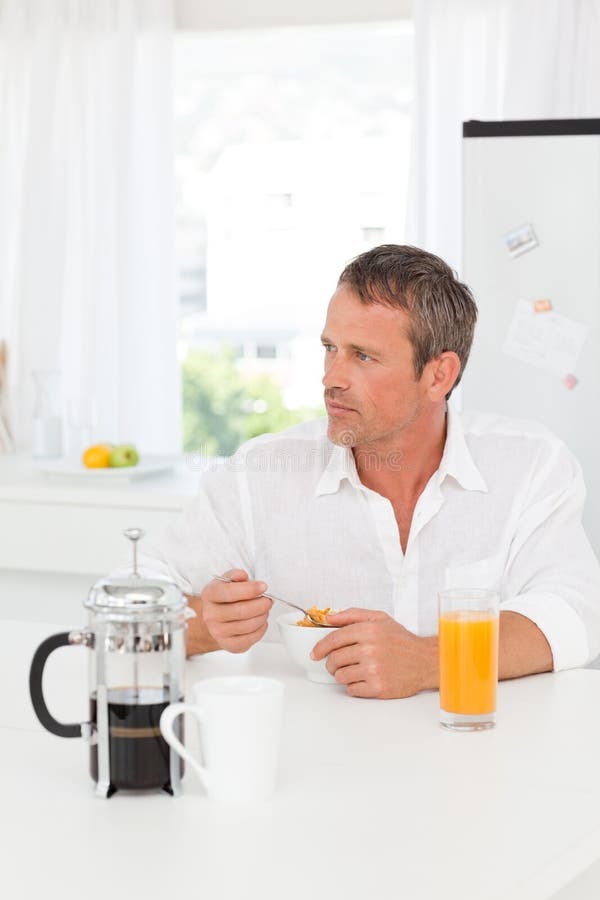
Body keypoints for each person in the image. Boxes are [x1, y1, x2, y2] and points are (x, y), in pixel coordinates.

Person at [137, 244, 600, 699]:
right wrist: (204, 626)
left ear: (438, 375)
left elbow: (575, 612)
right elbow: (136, 597)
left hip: (478, 742)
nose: (331, 378)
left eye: (362, 356)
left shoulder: (530, 465)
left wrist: (429, 660)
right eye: (330, 348)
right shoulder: (259, 474)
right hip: (309, 745)